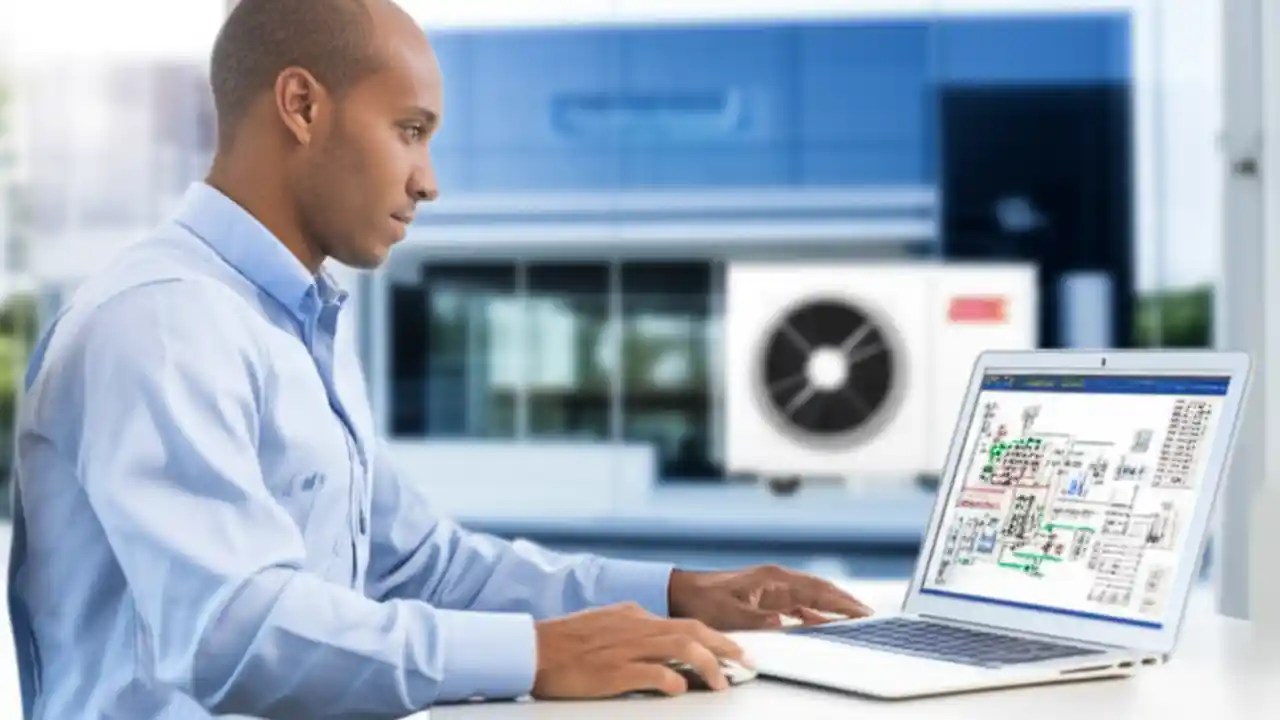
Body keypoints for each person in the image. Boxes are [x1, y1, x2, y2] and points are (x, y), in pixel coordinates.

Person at [5, 1, 873, 717]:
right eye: (410, 130)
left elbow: (423, 566)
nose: (429, 181)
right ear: (301, 106)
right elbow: (235, 632)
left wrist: (675, 591)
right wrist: (537, 654)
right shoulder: (163, 322)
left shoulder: (293, 324)